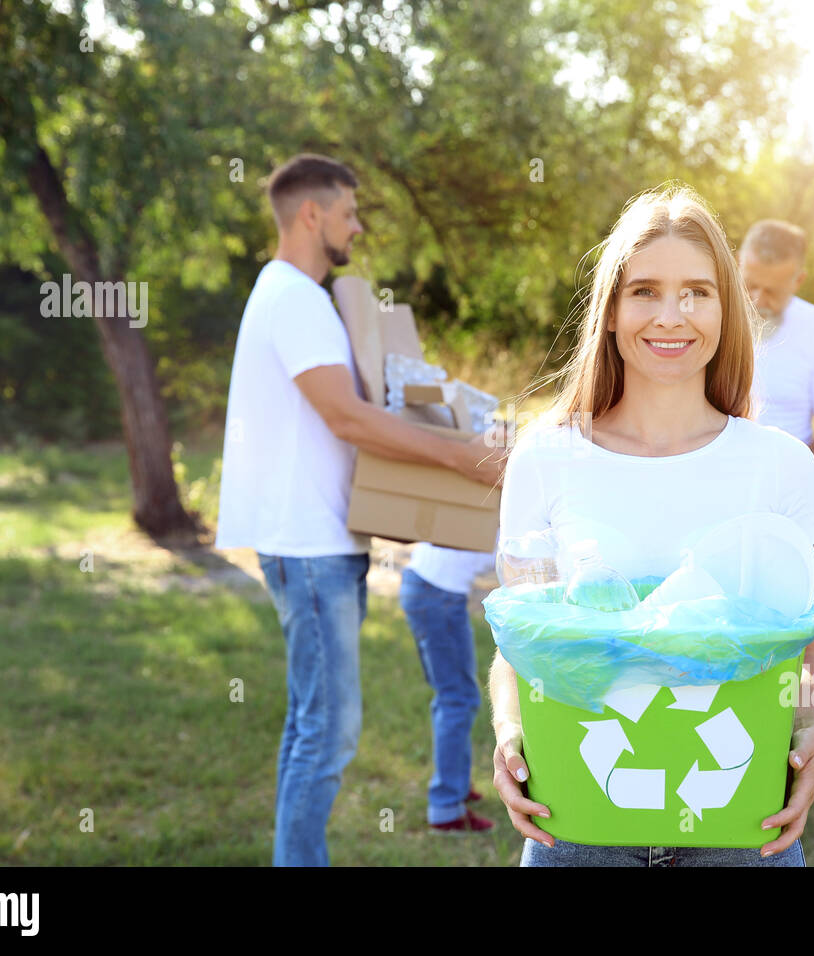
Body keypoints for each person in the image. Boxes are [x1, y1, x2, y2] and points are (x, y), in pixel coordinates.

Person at [487, 184, 814, 866]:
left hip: (737, 822)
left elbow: (810, 649)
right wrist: (506, 731)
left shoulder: (780, 465)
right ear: (611, 311)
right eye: (644, 290)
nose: (671, 316)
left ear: (726, 310)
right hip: (578, 823)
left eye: (697, 293)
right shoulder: (546, 457)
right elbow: (519, 645)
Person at [215, 153, 505, 866]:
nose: (358, 225)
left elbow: (357, 411)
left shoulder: (292, 295)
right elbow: (348, 418)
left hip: (317, 543)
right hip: (309, 547)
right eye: (348, 211)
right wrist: (459, 454)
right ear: (311, 214)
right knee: (332, 728)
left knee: (312, 722)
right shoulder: (296, 299)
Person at [739, 220, 814, 472]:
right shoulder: (708, 318)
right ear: (738, 263)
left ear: (798, 281)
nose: (758, 300)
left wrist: (790, 480)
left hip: (785, 492)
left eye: (773, 291)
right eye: (750, 285)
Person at [399, 542, 499, 833]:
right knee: (457, 699)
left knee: (455, 697)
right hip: (437, 595)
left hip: (424, 586)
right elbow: (513, 558)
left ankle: (457, 783)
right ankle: (446, 809)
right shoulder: (501, 501)